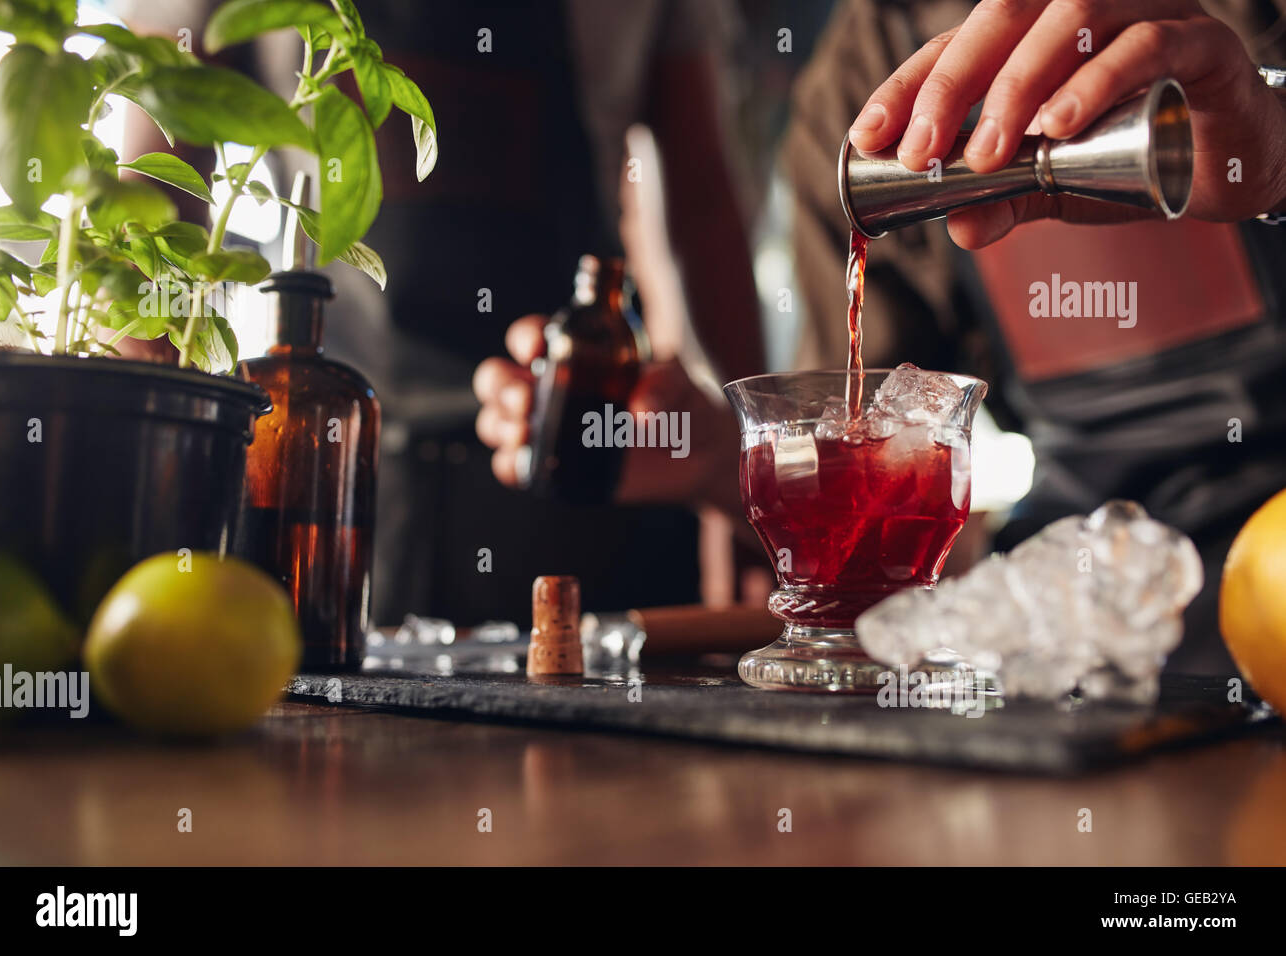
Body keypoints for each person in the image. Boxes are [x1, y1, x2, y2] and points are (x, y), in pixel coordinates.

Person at [479, 0, 1286, 674]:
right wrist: (706, 451)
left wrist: (1277, 157)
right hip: (1074, 619)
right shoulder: (865, 79)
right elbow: (871, 497)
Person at [119, 0, 766, 625]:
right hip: (325, 468)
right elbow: (155, 189)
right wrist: (155, 477)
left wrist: (743, 477)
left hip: (580, 461)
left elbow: (702, 200)